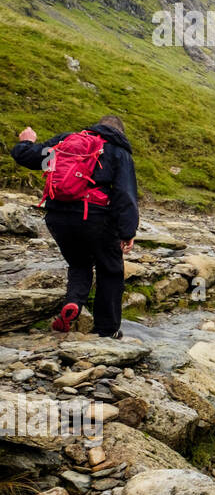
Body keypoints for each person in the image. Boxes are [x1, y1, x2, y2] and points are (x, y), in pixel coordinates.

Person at [9, 116, 139, 338]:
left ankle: (74, 304)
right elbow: (124, 195)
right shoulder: (119, 152)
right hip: (95, 218)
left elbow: (30, 158)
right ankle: (106, 331)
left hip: (58, 216)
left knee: (79, 263)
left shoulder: (67, 142)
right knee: (110, 270)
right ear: (120, 133)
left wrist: (26, 142)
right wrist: (128, 232)